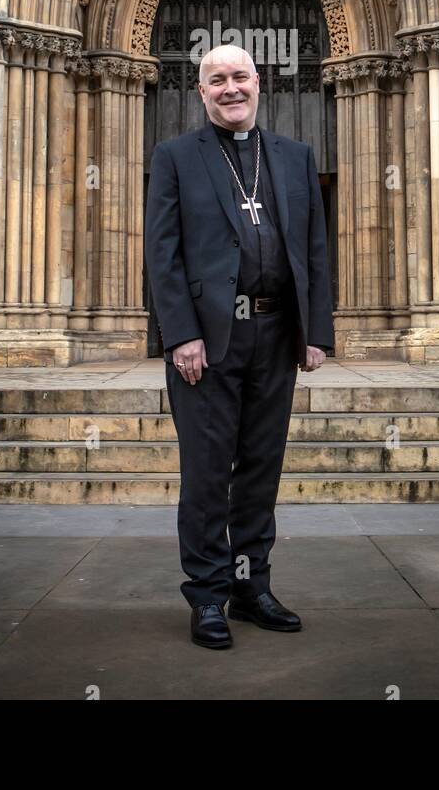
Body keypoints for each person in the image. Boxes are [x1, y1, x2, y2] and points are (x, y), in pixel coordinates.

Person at [144, 43, 334, 649]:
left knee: (259, 470)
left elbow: (313, 249)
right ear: (201, 92)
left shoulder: (295, 156)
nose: (231, 89)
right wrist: (181, 335)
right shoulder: (175, 156)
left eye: (240, 77)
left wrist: (316, 332)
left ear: (260, 83)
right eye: (216, 80)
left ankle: (252, 588)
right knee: (206, 473)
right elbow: (162, 254)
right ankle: (207, 596)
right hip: (208, 341)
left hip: (276, 338)